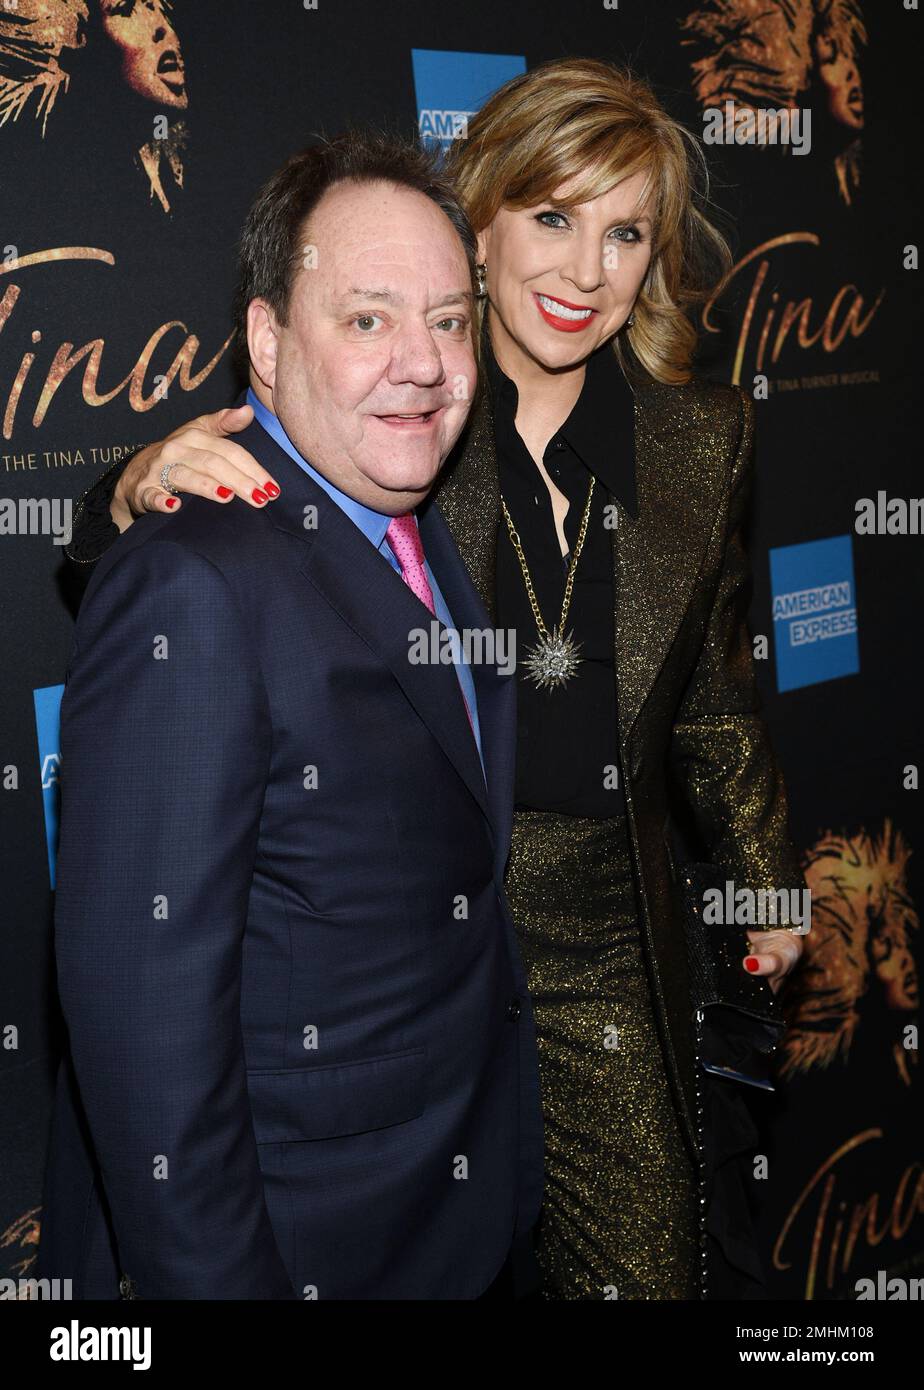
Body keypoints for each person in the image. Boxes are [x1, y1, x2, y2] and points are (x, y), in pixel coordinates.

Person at [66, 59, 806, 1300]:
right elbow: (225, 524)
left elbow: (717, 694)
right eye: (554, 219)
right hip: (417, 957)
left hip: (609, 933)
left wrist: (763, 879)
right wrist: (129, 485)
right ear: (485, 224)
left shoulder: (698, 436)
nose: (584, 272)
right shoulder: (410, 419)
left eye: (625, 232)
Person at [37, 131, 544, 1300]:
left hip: (448, 1216)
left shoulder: (414, 511)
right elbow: (146, 1036)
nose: (424, 364)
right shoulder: (194, 583)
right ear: (266, 341)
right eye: (367, 320)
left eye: (452, 321)